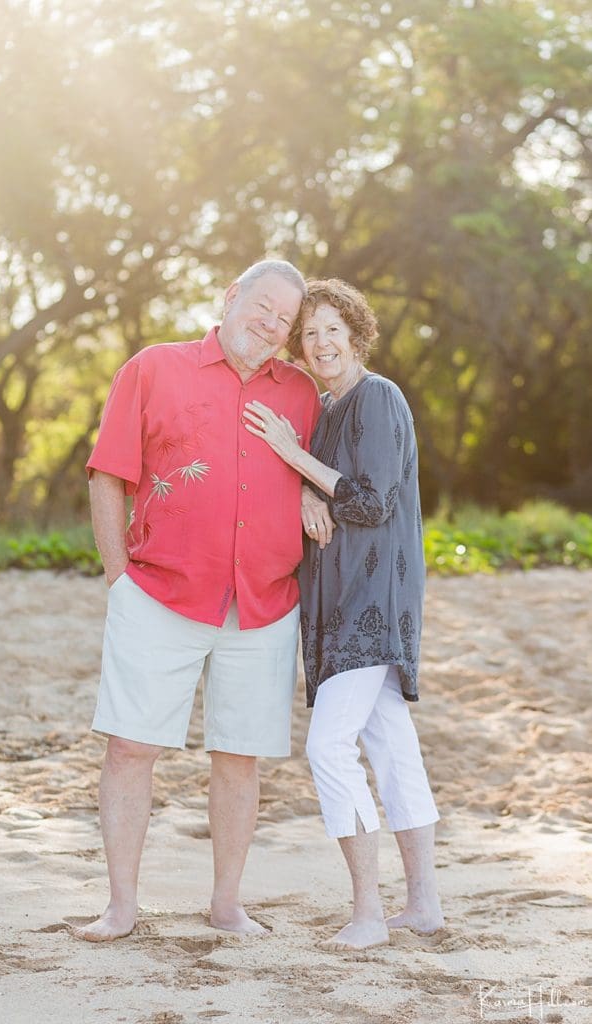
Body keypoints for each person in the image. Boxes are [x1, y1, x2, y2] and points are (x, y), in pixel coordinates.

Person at [75, 259, 323, 942]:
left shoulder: (303, 393)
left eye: (284, 320)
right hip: (158, 594)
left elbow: (325, 472)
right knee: (131, 748)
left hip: (265, 605)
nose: (270, 325)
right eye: (262, 306)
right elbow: (107, 475)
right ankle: (121, 907)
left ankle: (226, 904)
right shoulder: (154, 367)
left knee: (239, 757)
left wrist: (310, 491)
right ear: (231, 296)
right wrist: (119, 579)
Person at [243, 278, 444, 950]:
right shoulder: (328, 409)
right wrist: (305, 487)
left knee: (328, 747)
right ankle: (423, 906)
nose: (321, 342)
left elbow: (370, 502)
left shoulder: (376, 396)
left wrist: (293, 456)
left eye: (332, 329)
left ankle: (367, 914)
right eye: (309, 333)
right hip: (338, 605)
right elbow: (327, 489)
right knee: (391, 746)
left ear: (356, 334)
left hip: (371, 603)